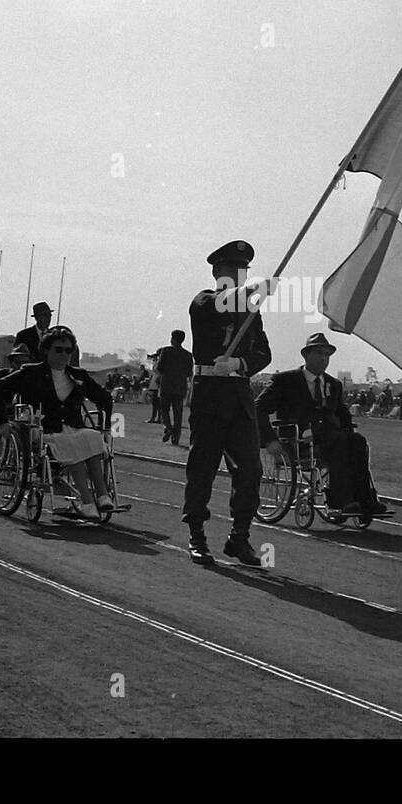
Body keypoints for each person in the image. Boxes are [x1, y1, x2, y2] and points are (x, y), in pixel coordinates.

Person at [181, 239, 271, 566]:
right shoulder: (202, 301)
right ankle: (197, 536)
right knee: (203, 467)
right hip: (209, 396)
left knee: (250, 469)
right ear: (217, 271)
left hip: (239, 398)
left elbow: (264, 352)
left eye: (243, 270)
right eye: (232, 268)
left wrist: (241, 364)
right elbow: (219, 304)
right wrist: (251, 292)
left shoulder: (250, 310)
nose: (238, 274)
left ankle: (240, 536)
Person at [256, 332, 389, 517]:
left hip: (328, 435)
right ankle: (341, 500)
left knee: (358, 441)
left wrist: (349, 429)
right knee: (339, 442)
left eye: (327, 355)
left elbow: (342, 414)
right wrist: (270, 439)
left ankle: (365, 500)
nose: (324, 359)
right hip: (298, 440)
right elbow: (259, 408)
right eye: (319, 353)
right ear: (306, 355)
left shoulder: (333, 384)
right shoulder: (285, 381)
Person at [0, 327, 114, 517]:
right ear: (46, 350)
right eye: (59, 350)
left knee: (93, 437)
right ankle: (87, 502)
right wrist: (2, 422)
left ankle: (103, 496)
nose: (64, 355)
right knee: (73, 444)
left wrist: (107, 425)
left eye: (68, 350)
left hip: (73, 427)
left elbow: (104, 398)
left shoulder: (78, 375)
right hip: (44, 430)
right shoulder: (31, 372)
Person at [156, 329, 194, 446]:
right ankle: (176, 437)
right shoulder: (188, 355)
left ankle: (168, 427)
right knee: (178, 413)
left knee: (164, 409)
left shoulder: (166, 351)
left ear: (172, 339)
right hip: (180, 386)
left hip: (167, 385)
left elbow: (160, 367)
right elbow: (189, 372)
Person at [15, 301, 80, 366]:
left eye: (50, 315)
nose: (48, 318)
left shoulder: (55, 336)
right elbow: (17, 358)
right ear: (36, 317)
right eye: (45, 315)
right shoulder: (23, 335)